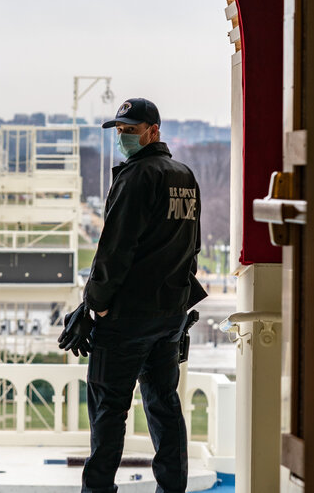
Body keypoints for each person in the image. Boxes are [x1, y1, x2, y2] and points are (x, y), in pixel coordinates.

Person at [59, 97, 207, 493]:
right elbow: (192, 247)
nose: (123, 137)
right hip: (169, 315)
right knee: (164, 406)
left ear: (153, 131)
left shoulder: (136, 176)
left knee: (109, 412)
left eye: (130, 129)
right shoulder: (185, 176)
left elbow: (115, 250)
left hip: (127, 319)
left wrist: (95, 307)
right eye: (120, 130)